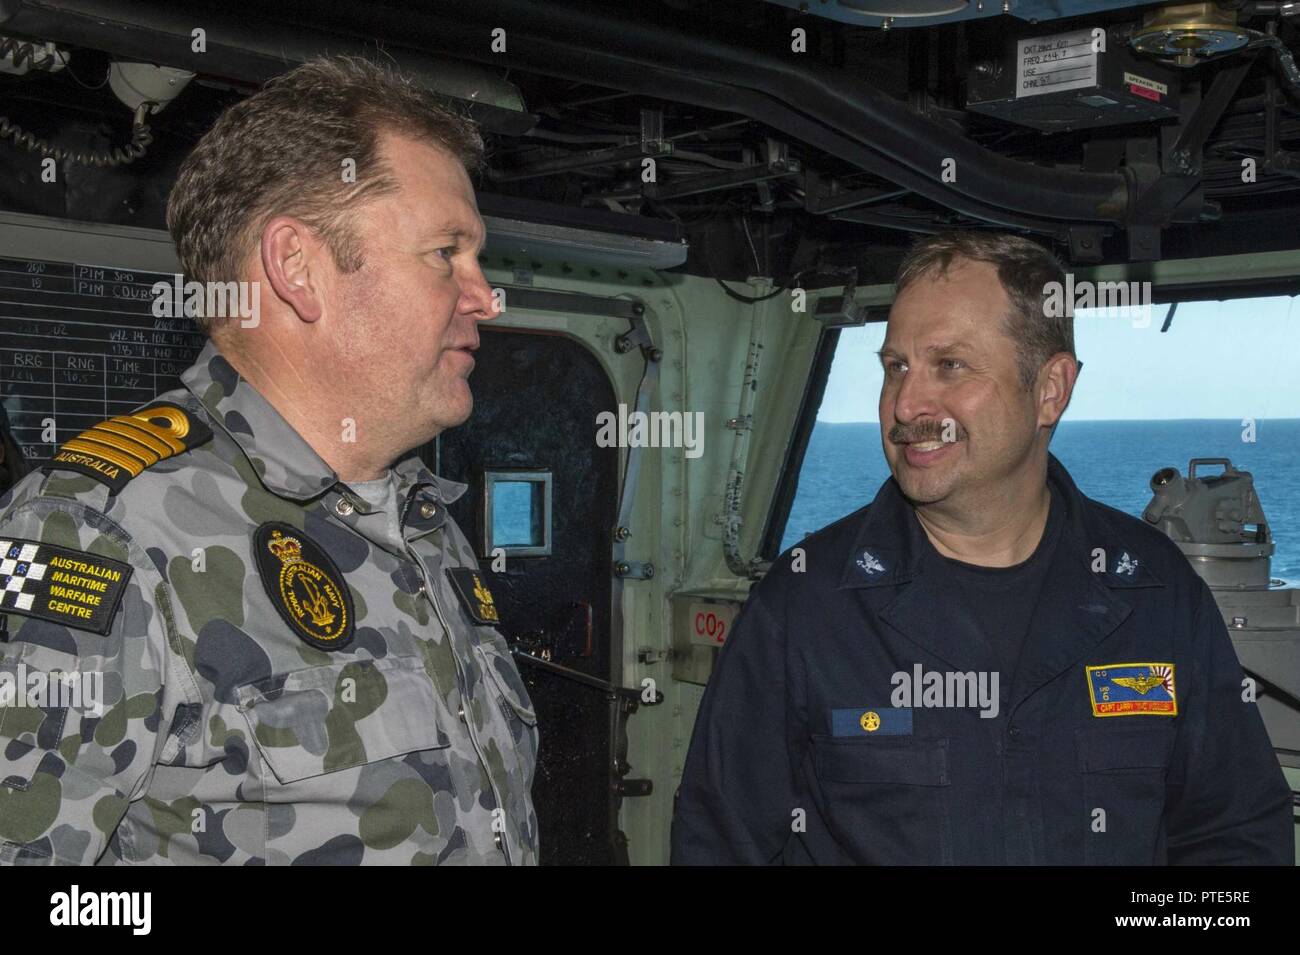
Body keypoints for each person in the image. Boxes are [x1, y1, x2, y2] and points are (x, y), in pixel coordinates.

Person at [0, 56, 538, 865]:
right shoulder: (94, 532)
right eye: (445, 254)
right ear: (298, 267)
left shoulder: (420, 523)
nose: (484, 295)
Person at [671, 231, 1293, 865]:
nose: (905, 403)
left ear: (1050, 389)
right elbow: (719, 846)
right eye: (896, 367)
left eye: (950, 365)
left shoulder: (1156, 590)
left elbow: (1236, 839)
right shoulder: (804, 604)